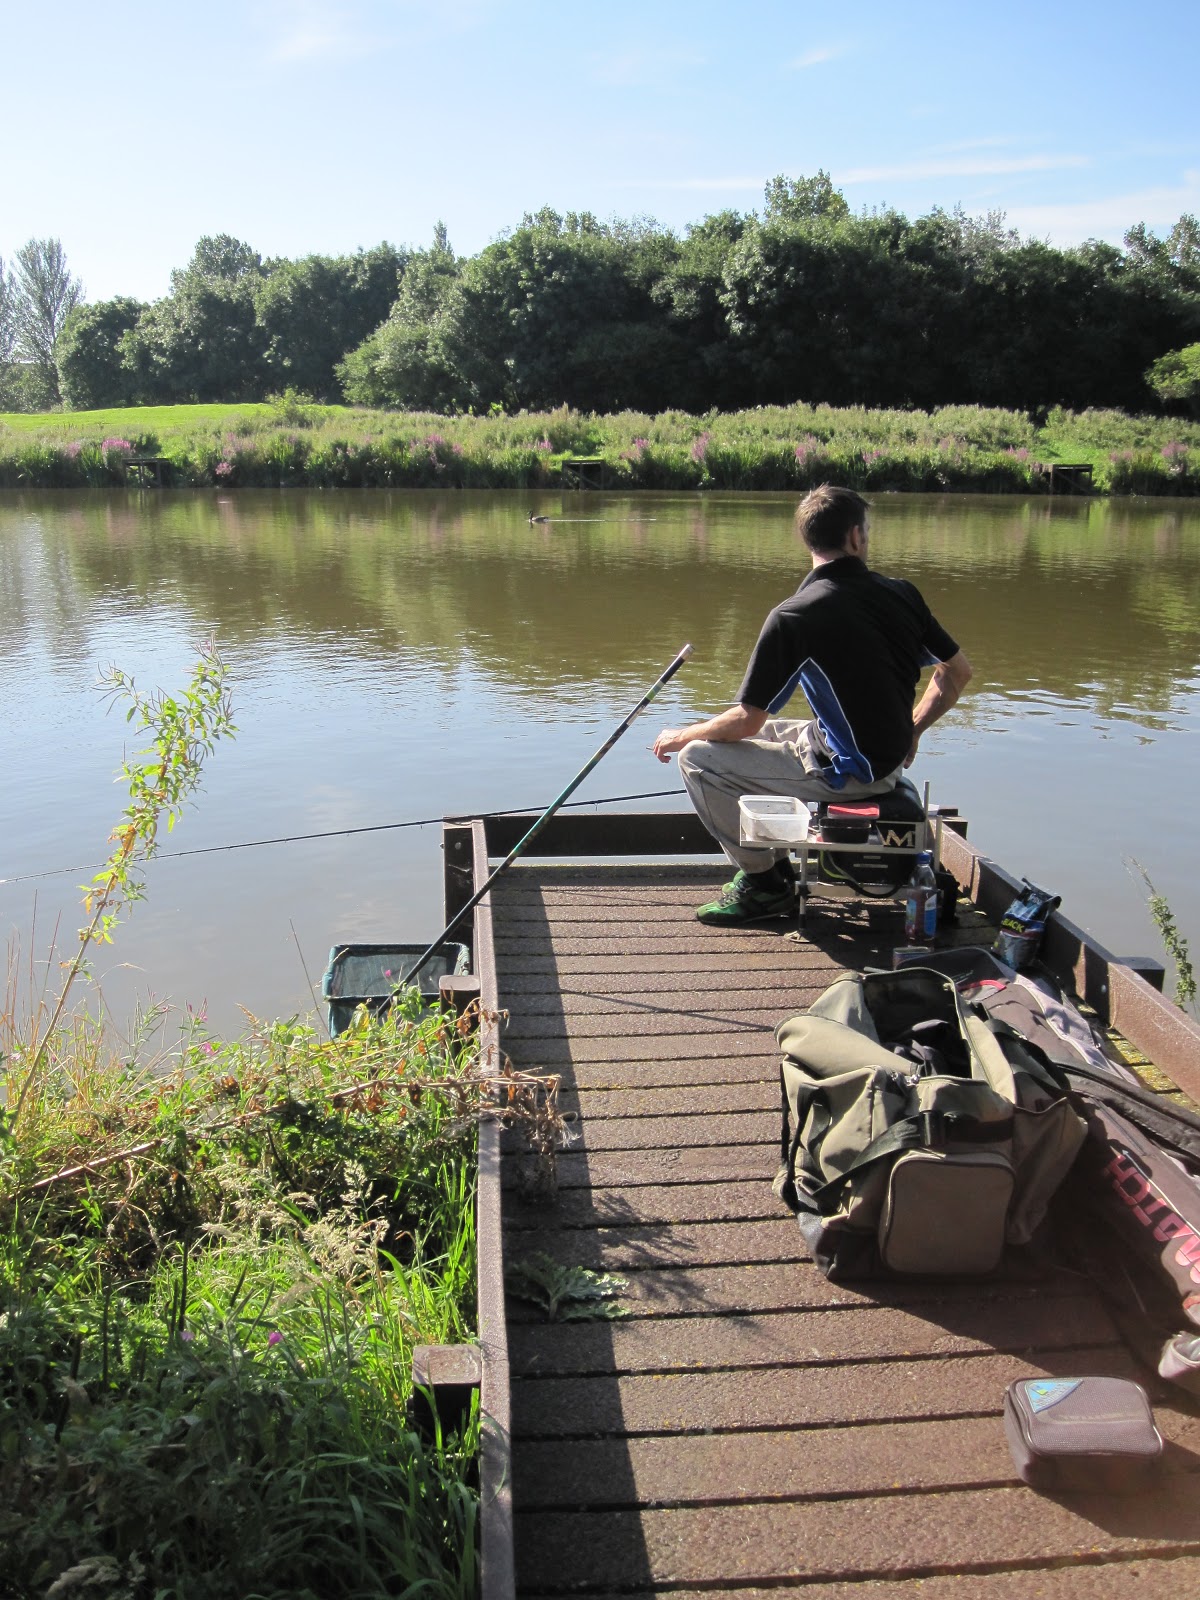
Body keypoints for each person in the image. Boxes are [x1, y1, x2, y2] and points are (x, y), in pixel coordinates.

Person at [652, 484, 972, 925]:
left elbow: (745, 719)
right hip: (882, 757)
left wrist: (680, 735)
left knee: (697, 759)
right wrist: (913, 731)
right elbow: (957, 672)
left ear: (807, 539)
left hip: (855, 775)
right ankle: (776, 866)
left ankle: (766, 885)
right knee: (745, 736)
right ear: (855, 537)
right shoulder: (903, 594)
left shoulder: (795, 614)